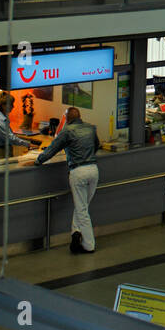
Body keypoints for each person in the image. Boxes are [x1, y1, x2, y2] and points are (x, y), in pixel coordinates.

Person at [34, 106, 102, 254]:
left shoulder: (66, 131)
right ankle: (75, 234)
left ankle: (89, 245)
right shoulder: (91, 128)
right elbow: (97, 145)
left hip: (78, 171)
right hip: (93, 170)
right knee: (83, 206)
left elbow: (52, 149)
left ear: (67, 119)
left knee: (82, 209)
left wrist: (38, 161)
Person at [0, 92, 40, 159]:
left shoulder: (2, 118)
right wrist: (28, 144)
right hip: (0, 153)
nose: (13, 106)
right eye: (11, 104)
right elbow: (10, 138)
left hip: (4, 151)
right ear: (3, 105)